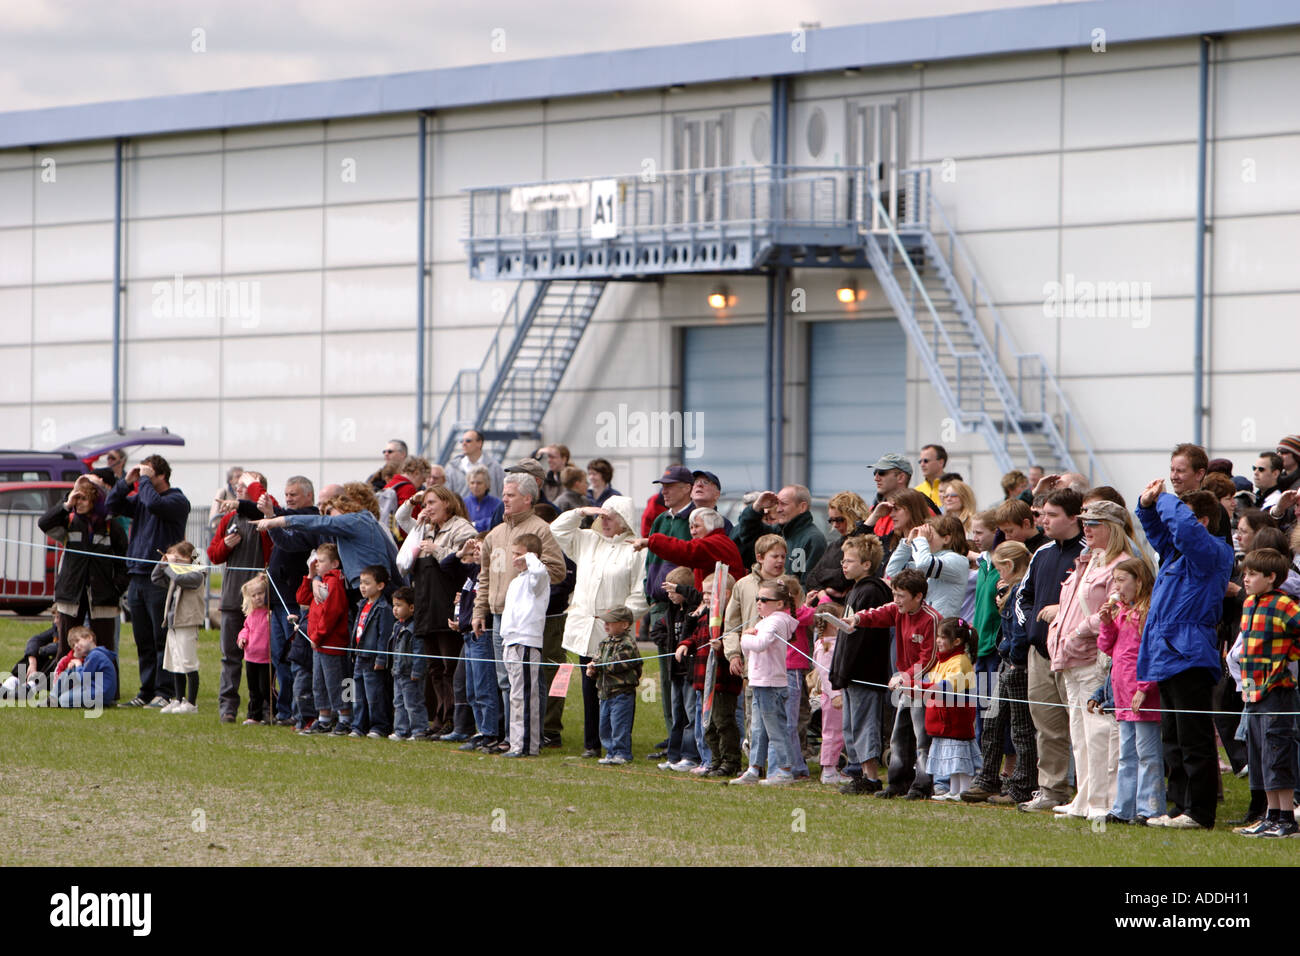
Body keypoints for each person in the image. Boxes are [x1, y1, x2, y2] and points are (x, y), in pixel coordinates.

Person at [1136, 480, 1234, 830]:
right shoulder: (1177, 552)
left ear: (1203, 522)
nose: (1176, 525)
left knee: (1195, 739)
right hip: (1165, 652)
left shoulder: (1213, 551)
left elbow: (1184, 530)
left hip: (1190, 653)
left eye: (1186, 517)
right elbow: (1160, 531)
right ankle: (1179, 808)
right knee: (1173, 739)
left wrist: (1164, 498)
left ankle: (1200, 811)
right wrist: (1147, 507)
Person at [1048, 499, 1143, 821]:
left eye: (1094, 524)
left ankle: (1104, 801)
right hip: (1071, 656)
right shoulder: (1088, 560)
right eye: (1085, 523)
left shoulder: (1122, 564)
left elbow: (1114, 609)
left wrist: (1076, 631)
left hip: (1094, 655)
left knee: (1100, 732)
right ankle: (1084, 797)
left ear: (1112, 528)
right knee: (1080, 733)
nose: (1086, 528)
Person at [471, 473, 566, 750]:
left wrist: (531, 567)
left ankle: (529, 737)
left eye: (510, 495)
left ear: (528, 498)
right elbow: (485, 575)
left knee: (528, 680)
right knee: (505, 679)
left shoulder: (540, 530)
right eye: (503, 494)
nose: (504, 499)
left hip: (525, 620)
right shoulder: (496, 533)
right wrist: (480, 611)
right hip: (499, 615)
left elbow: (558, 570)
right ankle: (509, 736)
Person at [551, 496, 648, 760]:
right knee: (588, 684)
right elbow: (557, 530)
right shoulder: (587, 540)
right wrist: (580, 511)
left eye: (611, 517)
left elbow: (641, 592)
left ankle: (617, 743)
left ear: (624, 519)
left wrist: (621, 620)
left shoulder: (636, 549)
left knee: (617, 689)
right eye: (601, 516)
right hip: (585, 627)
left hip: (615, 632)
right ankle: (592, 742)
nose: (604, 521)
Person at [1014, 487, 1085, 813]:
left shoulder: (1089, 553)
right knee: (1047, 728)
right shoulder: (1041, 553)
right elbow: (1022, 597)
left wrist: (1063, 613)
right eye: (1043, 514)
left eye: (1052, 515)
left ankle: (1086, 792)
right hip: (1039, 653)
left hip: (1076, 655)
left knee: (1082, 728)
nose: (1044, 520)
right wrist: (1032, 625)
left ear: (1074, 517)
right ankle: (1052, 790)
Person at [101, 455, 191, 709]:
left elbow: (154, 504)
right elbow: (112, 505)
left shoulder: (177, 500)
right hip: (137, 576)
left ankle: (165, 690)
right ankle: (146, 690)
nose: (142, 480)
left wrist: (143, 481)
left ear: (161, 475)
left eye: (148, 474)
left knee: (160, 637)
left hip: (161, 579)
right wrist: (126, 483)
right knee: (143, 638)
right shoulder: (143, 495)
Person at [848, 568, 943, 799]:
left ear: (918, 596)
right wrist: (856, 618)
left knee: (922, 738)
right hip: (905, 686)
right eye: (895, 594)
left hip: (923, 686)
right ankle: (897, 783)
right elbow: (877, 614)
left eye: (901, 596)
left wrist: (905, 676)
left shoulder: (931, 619)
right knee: (899, 736)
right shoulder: (897, 610)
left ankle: (922, 786)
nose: (896, 600)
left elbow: (929, 657)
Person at [963, 541, 1038, 805]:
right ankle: (988, 778)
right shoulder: (1011, 590)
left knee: (1020, 729)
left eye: (999, 568)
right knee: (992, 723)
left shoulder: (1020, 591)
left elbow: (1019, 631)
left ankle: (1023, 784)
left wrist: (1012, 654)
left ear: (1008, 566)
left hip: (1016, 665)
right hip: (1007, 662)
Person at [1235, 547, 1300, 837]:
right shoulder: (1249, 604)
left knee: (1278, 753)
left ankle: (1286, 818)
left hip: (1277, 691)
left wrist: (1290, 656)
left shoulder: (1285, 605)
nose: (1245, 579)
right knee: (1262, 755)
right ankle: (1271, 815)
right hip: (1253, 693)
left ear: (1272, 577)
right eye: (1245, 573)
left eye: (1252, 574)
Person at [257, 483, 400, 614]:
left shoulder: (359, 520)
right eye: (321, 506)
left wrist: (280, 521)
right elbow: (288, 542)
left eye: (328, 508)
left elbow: (324, 522)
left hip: (374, 588)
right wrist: (270, 516)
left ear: (344, 505)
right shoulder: (327, 532)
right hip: (350, 592)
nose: (323, 512)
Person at [402, 485, 476, 737]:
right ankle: (439, 718)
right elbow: (401, 519)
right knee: (434, 667)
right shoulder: (425, 528)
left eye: (432, 502)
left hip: (447, 606)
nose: (427, 508)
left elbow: (468, 564)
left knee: (450, 667)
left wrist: (438, 551)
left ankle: (456, 719)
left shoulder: (461, 528)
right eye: (425, 504)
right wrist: (413, 500)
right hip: (425, 606)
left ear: (447, 502)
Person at [1096, 557, 1162, 825]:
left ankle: (1149, 808)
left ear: (1140, 581)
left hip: (1142, 695)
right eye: (1116, 581)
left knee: (1147, 753)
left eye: (1122, 580)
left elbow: (1153, 653)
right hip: (1122, 694)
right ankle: (1123, 807)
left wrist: (1144, 688)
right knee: (1126, 754)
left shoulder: (1147, 613)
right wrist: (1106, 623)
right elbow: (1108, 647)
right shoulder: (1122, 611)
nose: (1118, 587)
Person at [208, 473, 274, 723]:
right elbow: (213, 556)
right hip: (233, 599)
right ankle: (228, 706)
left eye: (244, 486)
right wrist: (225, 544)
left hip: (261, 602)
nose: (238, 490)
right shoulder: (228, 519)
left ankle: (264, 707)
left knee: (265, 658)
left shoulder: (267, 518)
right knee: (230, 655)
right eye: (237, 486)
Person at [830, 534, 892, 795]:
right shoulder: (856, 589)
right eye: (843, 560)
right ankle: (861, 772)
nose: (844, 565)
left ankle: (871, 776)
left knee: (864, 725)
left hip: (863, 671)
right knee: (852, 726)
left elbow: (861, 639)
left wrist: (846, 670)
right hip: (851, 673)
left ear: (867, 564)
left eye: (850, 561)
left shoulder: (870, 591)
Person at [642, 465, 698, 755]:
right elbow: (651, 560)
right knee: (666, 674)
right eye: (663, 485)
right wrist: (649, 593)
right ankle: (672, 734)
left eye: (671, 485)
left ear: (687, 488)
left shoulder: (694, 519)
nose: (664, 490)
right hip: (660, 604)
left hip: (683, 605)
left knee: (683, 675)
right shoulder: (661, 519)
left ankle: (686, 738)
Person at [258, 476, 319, 729]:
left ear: (308, 496)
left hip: (294, 602)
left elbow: (287, 541)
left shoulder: (308, 519)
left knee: (296, 660)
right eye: (286, 494)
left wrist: (271, 520)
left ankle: (299, 710)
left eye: (293, 494)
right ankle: (283, 711)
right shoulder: (285, 516)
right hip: (277, 601)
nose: (288, 498)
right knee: (279, 659)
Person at [39, 482, 127, 655]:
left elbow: (124, 562)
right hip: (71, 596)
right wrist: (66, 505)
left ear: (95, 500)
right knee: (66, 650)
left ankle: (102, 683)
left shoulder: (111, 527)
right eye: (76, 498)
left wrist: (116, 588)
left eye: (83, 498)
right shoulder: (69, 522)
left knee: (104, 651)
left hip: (103, 598)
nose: (78, 502)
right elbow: (44, 523)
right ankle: (67, 682)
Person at [730, 579, 798, 786]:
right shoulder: (764, 620)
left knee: (775, 728)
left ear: (779, 603)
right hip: (759, 681)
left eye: (764, 599)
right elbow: (749, 650)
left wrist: (744, 637)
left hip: (771, 683)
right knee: (758, 729)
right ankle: (754, 768)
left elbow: (758, 644)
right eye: (757, 599)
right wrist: (747, 639)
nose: (759, 603)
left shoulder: (776, 621)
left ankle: (785, 771)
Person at [675, 570, 742, 778]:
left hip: (722, 681)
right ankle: (715, 759)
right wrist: (685, 644)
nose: (705, 597)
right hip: (703, 680)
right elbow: (696, 637)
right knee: (708, 724)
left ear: (726, 594)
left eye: (710, 593)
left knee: (723, 721)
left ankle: (730, 760)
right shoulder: (706, 616)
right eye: (703, 593)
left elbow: (732, 646)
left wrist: (721, 647)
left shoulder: (727, 619)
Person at [911, 618, 978, 800]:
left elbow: (945, 686)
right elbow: (930, 684)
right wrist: (911, 687)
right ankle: (954, 790)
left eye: (942, 637)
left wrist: (917, 687)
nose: (938, 641)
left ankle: (963, 790)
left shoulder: (960, 661)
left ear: (957, 641)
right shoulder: (943, 660)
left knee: (959, 758)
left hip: (956, 721)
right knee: (951, 759)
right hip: (945, 721)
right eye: (937, 636)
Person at [499, 534, 550, 757]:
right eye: (514, 554)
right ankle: (517, 742)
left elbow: (538, 572)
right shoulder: (516, 581)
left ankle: (527, 745)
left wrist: (530, 557)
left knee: (526, 696)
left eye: (518, 554)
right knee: (515, 696)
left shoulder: (537, 578)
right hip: (511, 641)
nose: (514, 559)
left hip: (527, 641)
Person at [298, 544, 352, 735]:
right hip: (318, 644)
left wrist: (318, 636)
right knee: (319, 683)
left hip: (331, 643)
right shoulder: (320, 581)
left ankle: (345, 718)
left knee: (337, 681)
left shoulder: (334, 584)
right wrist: (310, 575)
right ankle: (324, 718)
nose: (317, 564)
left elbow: (331, 614)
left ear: (335, 563)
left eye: (321, 561)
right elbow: (302, 598)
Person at [655, 568, 705, 771]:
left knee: (691, 715)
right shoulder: (671, 610)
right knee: (678, 715)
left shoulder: (694, 607)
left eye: (673, 591)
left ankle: (690, 755)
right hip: (675, 672)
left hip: (690, 672)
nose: (669, 595)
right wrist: (668, 644)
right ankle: (674, 755)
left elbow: (698, 596)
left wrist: (682, 588)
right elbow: (656, 629)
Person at [731, 484, 827, 585]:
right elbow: (747, 534)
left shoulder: (813, 540)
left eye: (784, 504)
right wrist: (757, 507)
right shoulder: (777, 531)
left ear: (802, 507)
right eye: (777, 504)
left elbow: (810, 585)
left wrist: (786, 597)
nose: (778, 509)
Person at [152, 541, 205, 715]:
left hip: (187, 622)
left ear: (190, 559)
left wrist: (170, 565)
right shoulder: (175, 572)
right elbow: (155, 578)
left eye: (180, 559)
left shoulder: (196, 574)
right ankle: (179, 698)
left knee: (188, 662)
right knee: (176, 662)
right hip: (174, 623)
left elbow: (181, 578)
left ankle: (191, 703)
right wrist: (162, 564)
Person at [885, 514, 969, 617]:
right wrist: (907, 543)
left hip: (942, 627)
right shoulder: (929, 560)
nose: (925, 539)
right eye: (925, 536)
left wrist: (920, 540)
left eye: (930, 535)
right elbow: (893, 571)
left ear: (946, 539)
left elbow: (923, 564)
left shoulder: (958, 561)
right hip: (925, 624)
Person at [589, 606, 643, 764]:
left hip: (622, 694)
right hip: (605, 693)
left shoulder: (627, 644)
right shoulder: (604, 643)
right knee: (604, 727)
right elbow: (598, 659)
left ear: (625, 625)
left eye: (610, 622)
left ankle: (622, 753)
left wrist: (597, 665)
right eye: (605, 622)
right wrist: (593, 670)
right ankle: (610, 753)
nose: (606, 625)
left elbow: (616, 664)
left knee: (620, 726)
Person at [805, 491, 871, 601]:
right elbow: (810, 579)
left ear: (854, 515)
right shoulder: (834, 545)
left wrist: (821, 575)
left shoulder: (864, 543)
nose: (835, 525)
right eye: (831, 520)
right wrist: (824, 594)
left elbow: (843, 578)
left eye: (840, 519)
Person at [809, 603, 846, 784]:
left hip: (839, 694)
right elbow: (825, 674)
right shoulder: (825, 647)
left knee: (838, 732)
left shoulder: (834, 643)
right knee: (832, 733)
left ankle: (833, 767)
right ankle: (829, 770)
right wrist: (835, 695)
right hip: (833, 697)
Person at [388, 586, 429, 741]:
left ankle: (419, 730)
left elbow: (419, 652)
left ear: (411, 608)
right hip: (398, 672)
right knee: (398, 702)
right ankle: (401, 730)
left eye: (399, 606)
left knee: (413, 703)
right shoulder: (397, 626)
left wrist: (417, 671)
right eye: (394, 605)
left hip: (410, 673)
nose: (395, 609)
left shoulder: (414, 628)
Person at [236, 575, 272, 726]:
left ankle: (272, 712)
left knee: (266, 688)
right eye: (254, 595)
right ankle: (254, 715)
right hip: (251, 658)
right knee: (253, 689)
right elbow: (245, 629)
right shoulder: (251, 615)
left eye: (260, 593)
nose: (257, 598)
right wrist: (242, 639)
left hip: (266, 659)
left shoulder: (270, 614)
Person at [52, 627, 117, 709]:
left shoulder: (95, 655)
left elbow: (83, 678)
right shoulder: (94, 655)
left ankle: (54, 697)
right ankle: (53, 697)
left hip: (99, 695)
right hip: (94, 691)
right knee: (71, 670)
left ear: (89, 638)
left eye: (77, 641)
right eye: (73, 645)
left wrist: (78, 664)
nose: (75, 646)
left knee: (64, 700)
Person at [460, 465, 501, 533]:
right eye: (472, 483)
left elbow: (496, 522)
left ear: (487, 484)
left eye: (479, 483)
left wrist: (475, 524)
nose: (475, 486)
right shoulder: (462, 504)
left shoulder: (497, 504)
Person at [209, 465, 243, 531]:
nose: (241, 479)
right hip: (225, 530)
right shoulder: (223, 492)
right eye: (238, 477)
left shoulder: (244, 492)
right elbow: (214, 515)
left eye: (242, 476)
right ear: (230, 480)